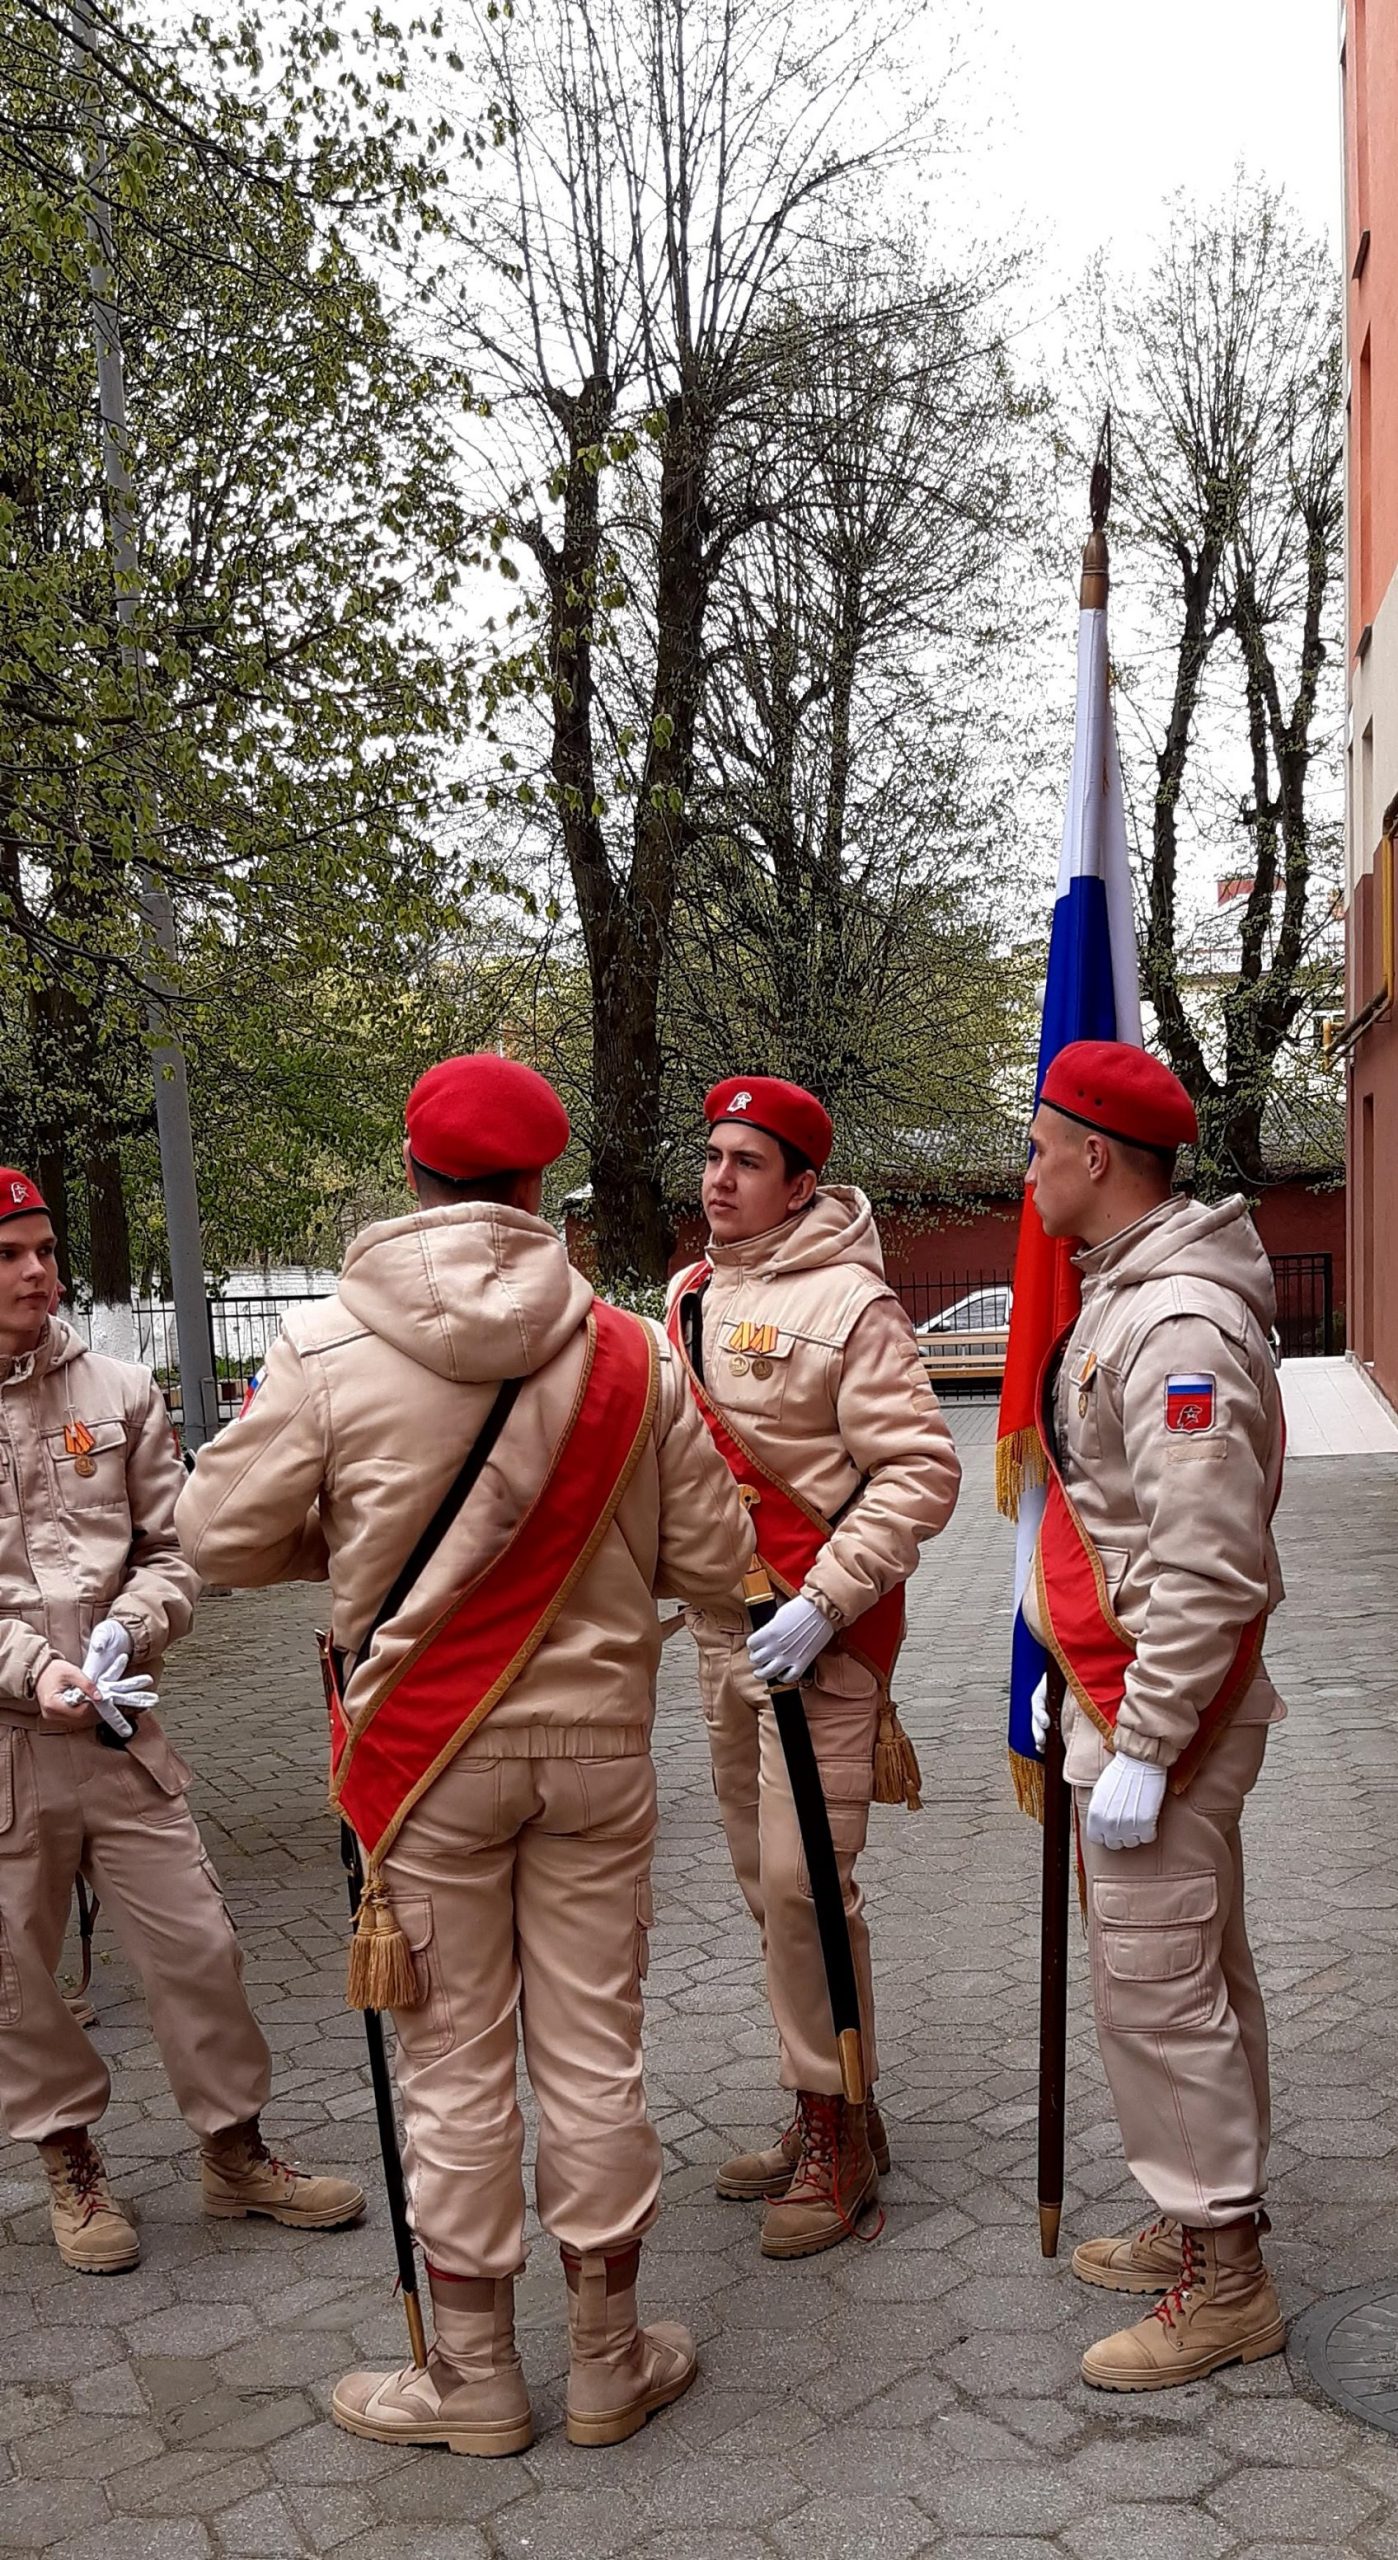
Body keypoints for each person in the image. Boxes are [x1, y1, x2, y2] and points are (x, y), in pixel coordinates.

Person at [176, 1055, 754, 2457]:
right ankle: (609, 2362)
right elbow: (716, 1559)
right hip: (598, 1752)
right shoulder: (635, 1352)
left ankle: (476, 2380)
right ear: (541, 1187)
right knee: (596, 2056)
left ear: (414, 1174)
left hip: (426, 1760)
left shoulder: (324, 1349)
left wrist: (361, 1552)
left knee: (450, 2069)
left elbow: (216, 1536)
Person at [0, 1168, 364, 2274]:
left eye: (45, 1249)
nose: (37, 1271)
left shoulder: (117, 1389)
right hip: (11, 1746)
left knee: (199, 1945)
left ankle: (234, 2150)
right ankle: (69, 2156)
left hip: (120, 1731)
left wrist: (133, 1627)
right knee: (17, 1975)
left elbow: (175, 1549)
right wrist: (32, 1669)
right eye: (10, 1255)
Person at [1022, 1040, 1288, 2390]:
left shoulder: (1174, 1322)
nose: (1025, 1170)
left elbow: (1207, 1561)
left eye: (1036, 1145)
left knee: (1158, 1987)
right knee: (1190, 1967)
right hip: (1135, 1700)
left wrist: (1142, 1741)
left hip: (1164, 1714)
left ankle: (1226, 2281)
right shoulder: (1125, 1294)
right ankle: (1203, 2221)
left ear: (1094, 1155)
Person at [667, 1077, 961, 2258]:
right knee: (764, 1887)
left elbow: (920, 1472)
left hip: (820, 1645)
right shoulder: (688, 1295)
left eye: (747, 1162)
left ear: (800, 1184)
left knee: (804, 1887)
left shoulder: (854, 1300)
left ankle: (839, 2138)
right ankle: (828, 2098)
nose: (719, 1179)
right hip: (720, 1636)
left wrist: (827, 1598)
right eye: (713, 1156)